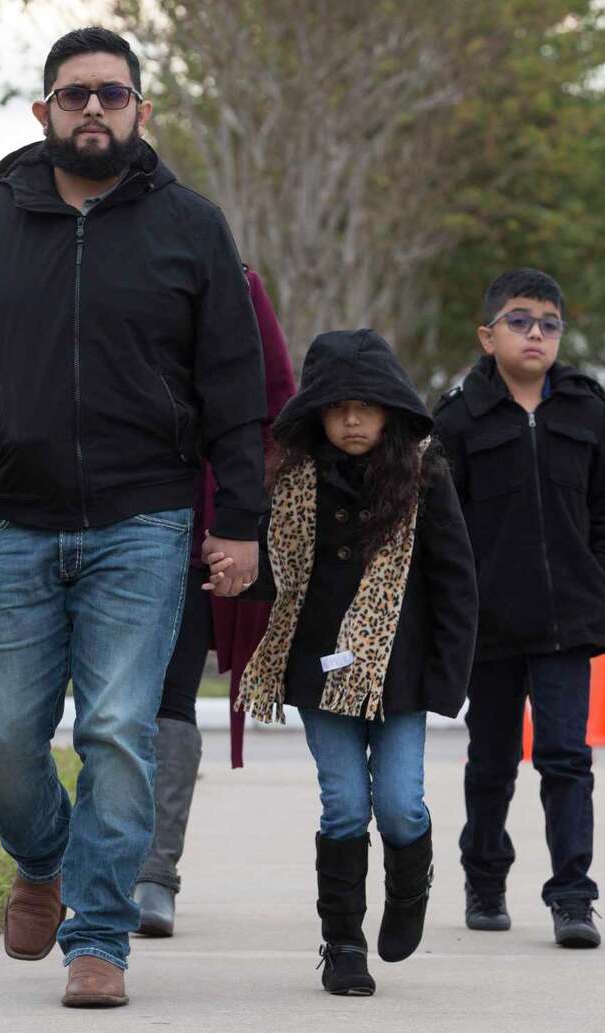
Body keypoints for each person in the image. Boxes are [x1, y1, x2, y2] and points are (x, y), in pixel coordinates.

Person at [0, 27, 265, 1008]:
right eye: (75, 95)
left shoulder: (191, 226)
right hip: (15, 519)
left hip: (143, 520)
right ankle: (45, 858)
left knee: (117, 727)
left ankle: (98, 937)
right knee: (1, 731)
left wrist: (238, 523)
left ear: (141, 110)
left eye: (112, 93)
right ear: (43, 113)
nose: (93, 109)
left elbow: (236, 389)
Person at [211, 329, 477, 996]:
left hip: (402, 678)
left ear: (390, 408)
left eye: (365, 405)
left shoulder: (423, 474)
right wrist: (231, 576)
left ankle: (410, 886)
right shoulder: (296, 484)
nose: (352, 420)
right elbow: (279, 578)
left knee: (400, 805)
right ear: (316, 414)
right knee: (343, 806)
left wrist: (446, 679)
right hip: (318, 673)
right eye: (336, 407)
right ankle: (343, 943)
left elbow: (455, 582)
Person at [433, 268, 605, 949]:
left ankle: (572, 896)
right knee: (490, 761)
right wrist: (457, 605)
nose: (536, 333)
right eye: (520, 321)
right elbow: (439, 525)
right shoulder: (457, 417)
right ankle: (484, 879)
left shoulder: (587, 408)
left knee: (566, 757)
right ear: (488, 335)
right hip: (487, 627)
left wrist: (598, 577)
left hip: (566, 624)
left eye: (549, 322)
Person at [132, 266, 297, 937]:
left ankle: (152, 873)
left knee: (168, 698)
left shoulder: (232, 283)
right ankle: (94, 861)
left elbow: (276, 407)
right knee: (110, 703)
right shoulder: (80, 271)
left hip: (192, 526)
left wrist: (236, 519)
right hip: (88, 520)